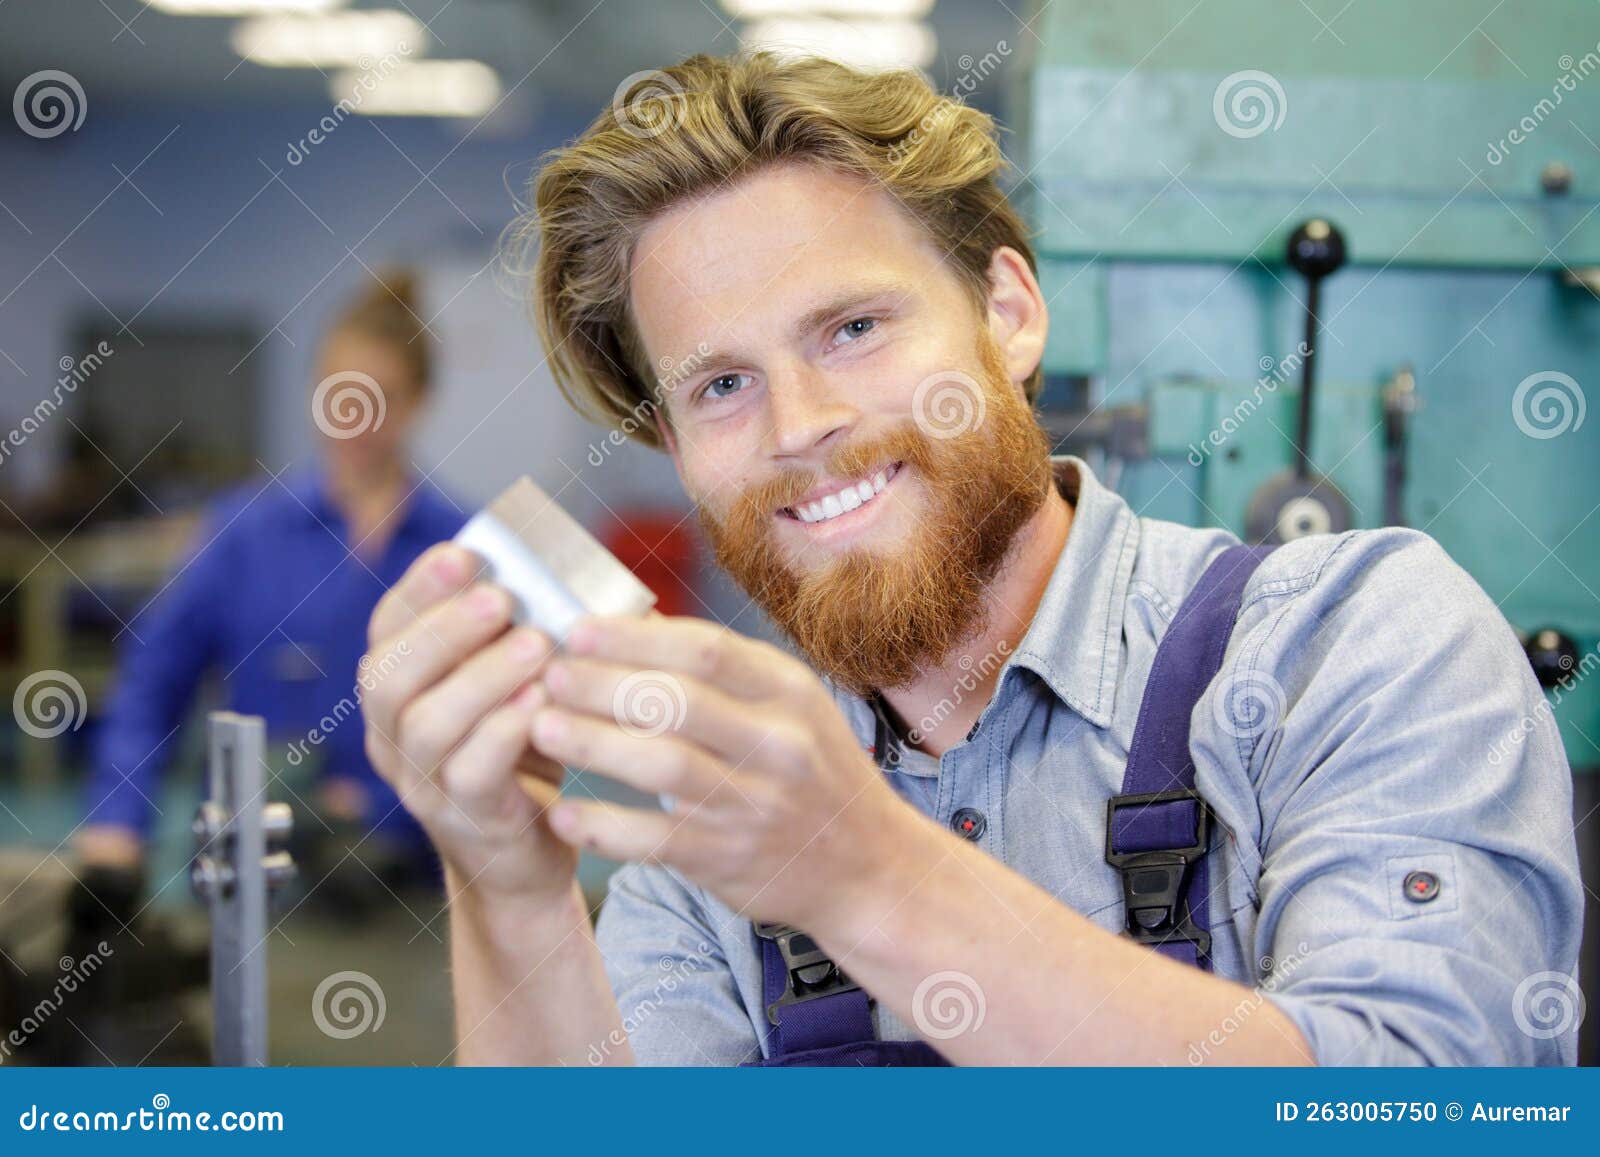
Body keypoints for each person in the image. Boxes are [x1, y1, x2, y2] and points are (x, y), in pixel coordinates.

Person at [361, 54, 1584, 1066]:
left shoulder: (1351, 642)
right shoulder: (716, 812)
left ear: (1008, 314)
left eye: (853, 327)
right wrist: (508, 885)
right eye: (720, 385)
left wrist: (867, 875)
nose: (798, 426)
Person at [75, 268, 465, 930]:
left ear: (419, 401)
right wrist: (117, 823)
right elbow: (152, 680)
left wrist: (378, 809)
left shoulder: (457, 549)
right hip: (250, 888)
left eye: (381, 395)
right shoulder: (244, 534)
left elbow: (487, 731)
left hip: (409, 892)